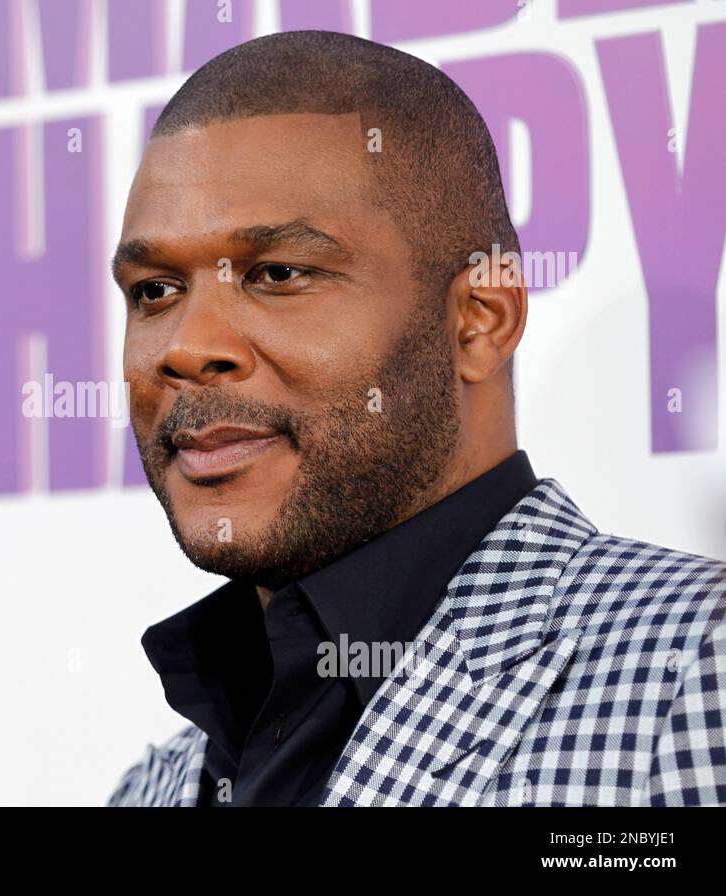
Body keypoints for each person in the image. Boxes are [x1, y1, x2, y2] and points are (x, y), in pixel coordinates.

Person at [106, 30, 726, 807]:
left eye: (279, 274)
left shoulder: (695, 677)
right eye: (155, 290)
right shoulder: (153, 787)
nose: (188, 348)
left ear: (479, 321)